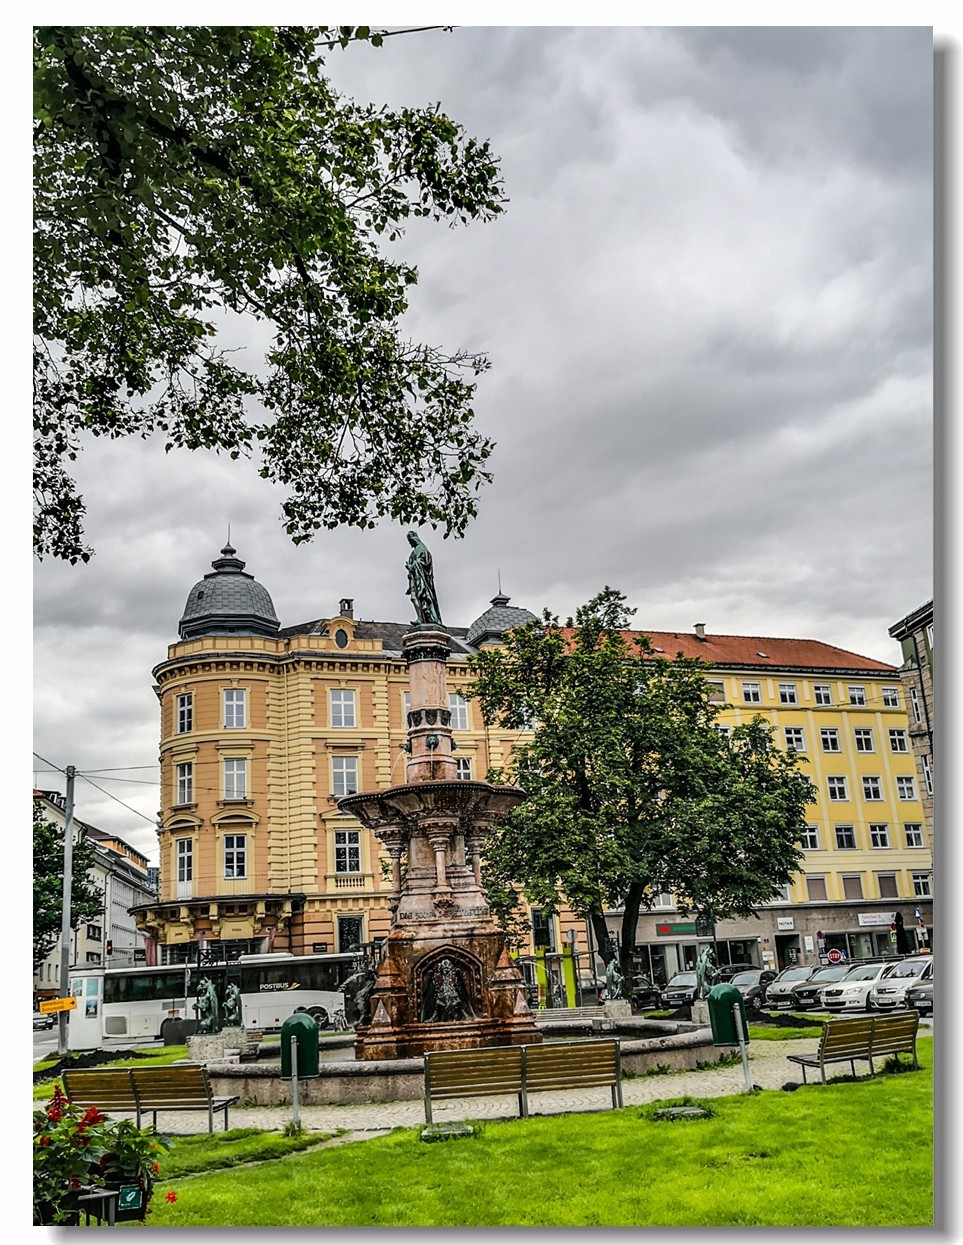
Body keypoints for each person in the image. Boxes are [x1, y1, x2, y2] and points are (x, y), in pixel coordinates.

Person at [405, 531, 443, 626]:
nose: (409, 543)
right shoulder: (413, 552)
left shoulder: (422, 548)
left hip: (422, 580)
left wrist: (412, 566)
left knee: (423, 598)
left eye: (410, 540)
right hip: (414, 579)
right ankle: (420, 618)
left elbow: (423, 562)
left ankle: (426, 618)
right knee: (414, 598)